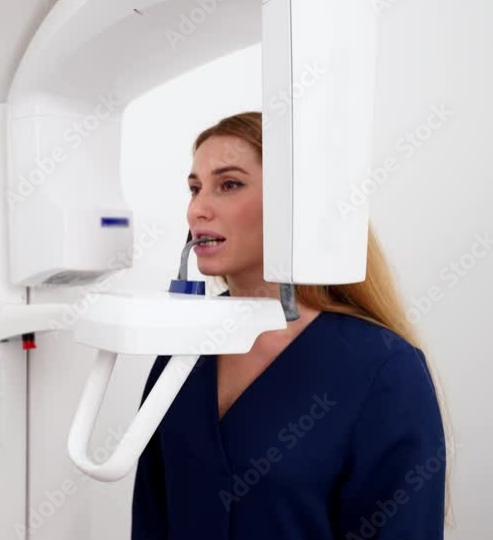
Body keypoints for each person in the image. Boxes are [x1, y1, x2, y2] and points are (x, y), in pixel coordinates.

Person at [131, 112, 448, 539]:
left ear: (297, 204)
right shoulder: (182, 350)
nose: (197, 209)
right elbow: (151, 518)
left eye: (229, 184)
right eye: (194, 188)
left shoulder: (382, 369)